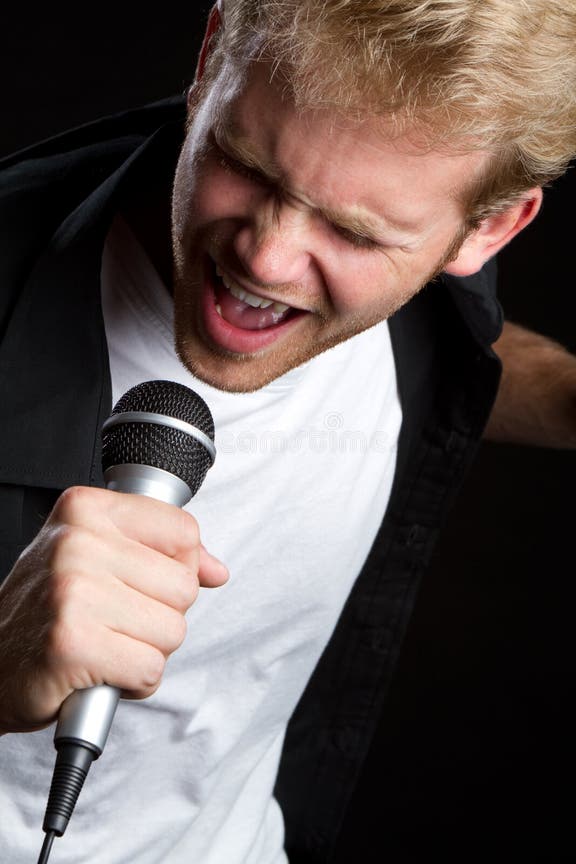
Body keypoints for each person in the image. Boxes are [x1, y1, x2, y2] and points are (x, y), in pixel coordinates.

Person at [1, 1, 575, 861]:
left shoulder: (421, 297)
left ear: (486, 230)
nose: (265, 259)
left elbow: (446, 356)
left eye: (353, 232)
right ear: (210, 56)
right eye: (246, 165)